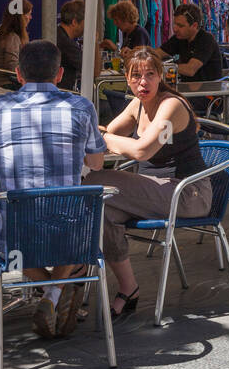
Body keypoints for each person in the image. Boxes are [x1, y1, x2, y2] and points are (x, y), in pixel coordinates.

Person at [0, 40, 107, 339]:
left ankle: (49, 293)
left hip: (17, 235)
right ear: (60, 74)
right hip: (72, 234)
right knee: (70, 217)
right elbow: (96, 163)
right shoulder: (82, 106)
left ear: (18, 74)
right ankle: (54, 295)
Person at [87, 49, 213, 323]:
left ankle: (69, 279)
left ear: (161, 76)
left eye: (150, 75)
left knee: (94, 183)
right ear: (127, 80)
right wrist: (105, 137)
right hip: (155, 190)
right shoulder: (137, 105)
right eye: (136, 76)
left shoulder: (172, 105)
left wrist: (103, 139)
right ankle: (128, 288)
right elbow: (110, 132)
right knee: (101, 207)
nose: (143, 82)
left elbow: (142, 151)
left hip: (188, 192)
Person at [153, 2, 224, 81]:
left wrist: (161, 67)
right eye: (174, 24)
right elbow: (157, 53)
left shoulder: (206, 40)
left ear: (194, 26)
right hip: (188, 88)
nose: (175, 29)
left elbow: (190, 70)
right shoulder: (179, 37)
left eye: (180, 26)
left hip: (209, 90)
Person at [0, 0, 32, 88]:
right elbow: (12, 66)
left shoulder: (5, 35)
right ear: (20, 16)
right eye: (28, 14)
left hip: (0, 83)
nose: (30, 18)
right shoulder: (12, 37)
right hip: (7, 85)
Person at [56, 0, 87, 92]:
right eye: (85, 22)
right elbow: (92, 71)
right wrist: (95, 40)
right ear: (74, 22)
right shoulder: (67, 44)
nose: (87, 25)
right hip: (63, 93)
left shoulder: (57, 33)